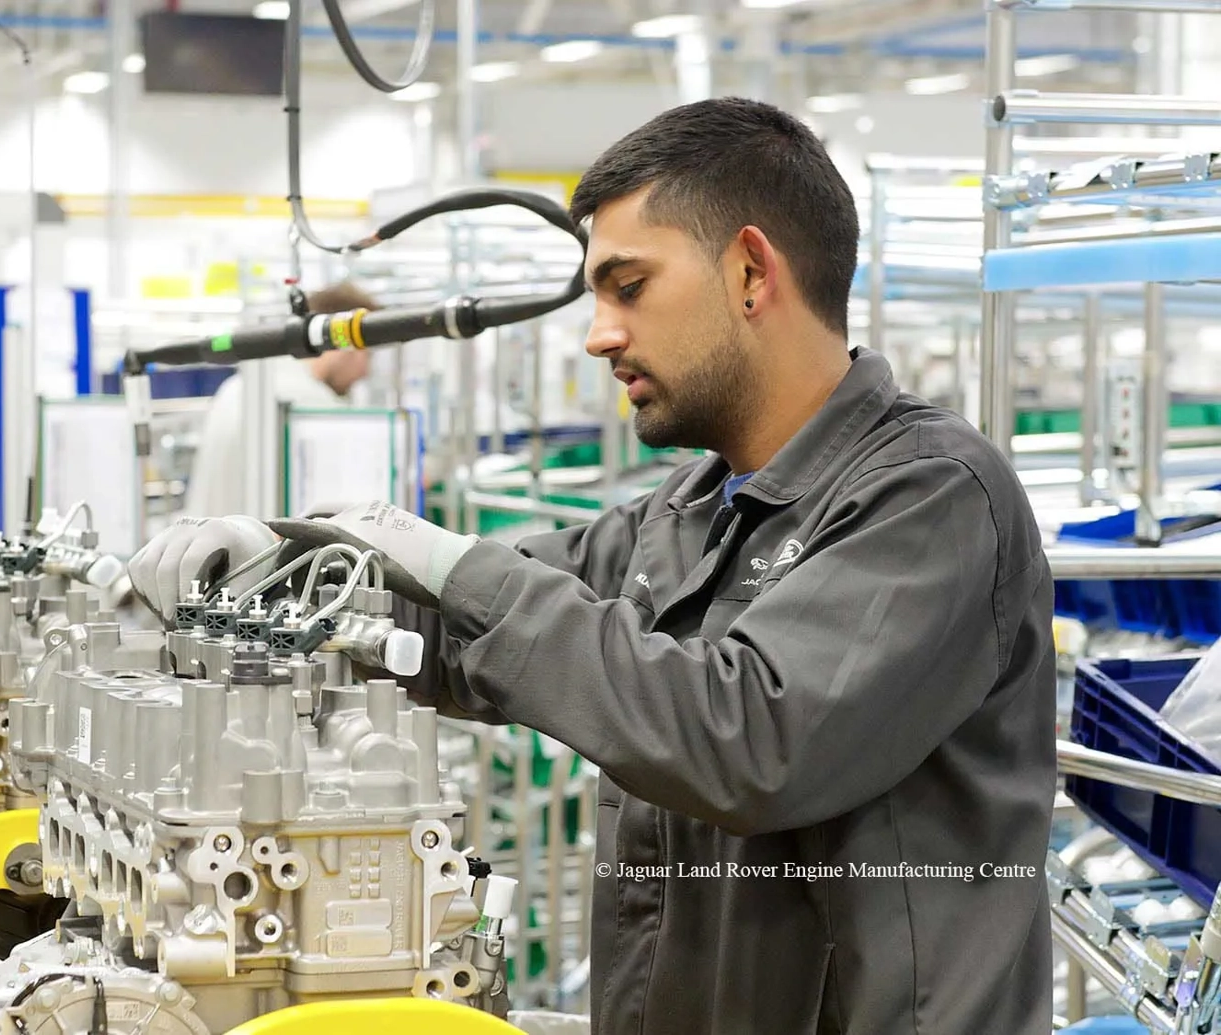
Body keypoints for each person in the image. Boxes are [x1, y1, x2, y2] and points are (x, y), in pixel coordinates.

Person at [128, 98, 1054, 1034]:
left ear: (749, 271)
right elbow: (467, 631)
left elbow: (748, 736)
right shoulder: (693, 508)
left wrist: (450, 560)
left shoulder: (933, 497)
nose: (598, 334)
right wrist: (289, 573)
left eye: (629, 286)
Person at [180, 283, 379, 518]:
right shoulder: (310, 408)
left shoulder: (240, 386)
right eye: (368, 355)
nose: (366, 371)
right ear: (344, 343)